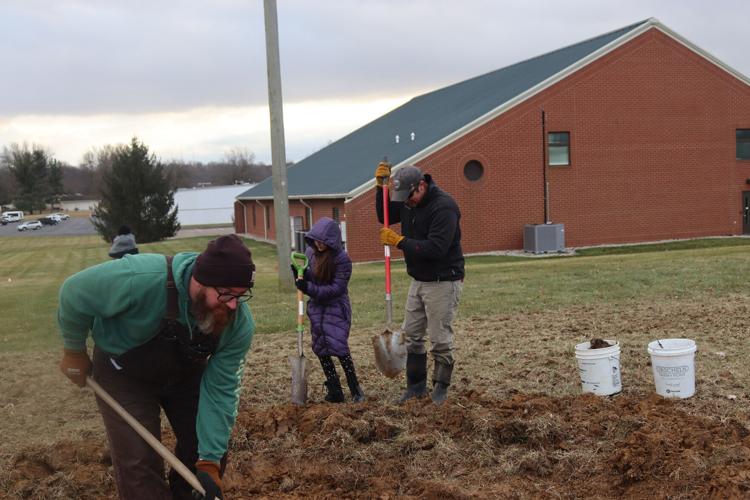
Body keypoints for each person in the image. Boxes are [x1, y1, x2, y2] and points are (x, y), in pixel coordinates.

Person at [58, 234, 256, 499]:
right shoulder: (140, 279)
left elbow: (221, 391)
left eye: (240, 296)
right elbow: (74, 292)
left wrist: (209, 463)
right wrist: (74, 350)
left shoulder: (238, 324)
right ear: (200, 281)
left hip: (185, 374)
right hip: (122, 372)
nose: (233, 304)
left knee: (205, 453)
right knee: (139, 460)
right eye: (226, 294)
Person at [374, 162, 464, 404]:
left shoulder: (444, 207)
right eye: (404, 199)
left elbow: (436, 248)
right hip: (419, 279)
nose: (408, 202)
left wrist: (399, 241)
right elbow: (384, 215)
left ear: (422, 185)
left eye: (411, 196)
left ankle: (441, 391)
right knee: (412, 336)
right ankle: (415, 388)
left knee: (439, 339)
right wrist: (380, 188)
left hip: (443, 280)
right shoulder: (408, 202)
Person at [294, 217, 365, 403]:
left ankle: (355, 389)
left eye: (322, 241)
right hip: (317, 308)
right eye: (316, 240)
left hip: (336, 308)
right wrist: (300, 275)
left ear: (332, 240)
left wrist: (308, 288)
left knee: (339, 347)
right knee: (321, 349)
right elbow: (311, 276)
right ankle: (335, 391)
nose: (318, 244)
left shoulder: (342, 259)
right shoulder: (310, 252)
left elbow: (336, 289)